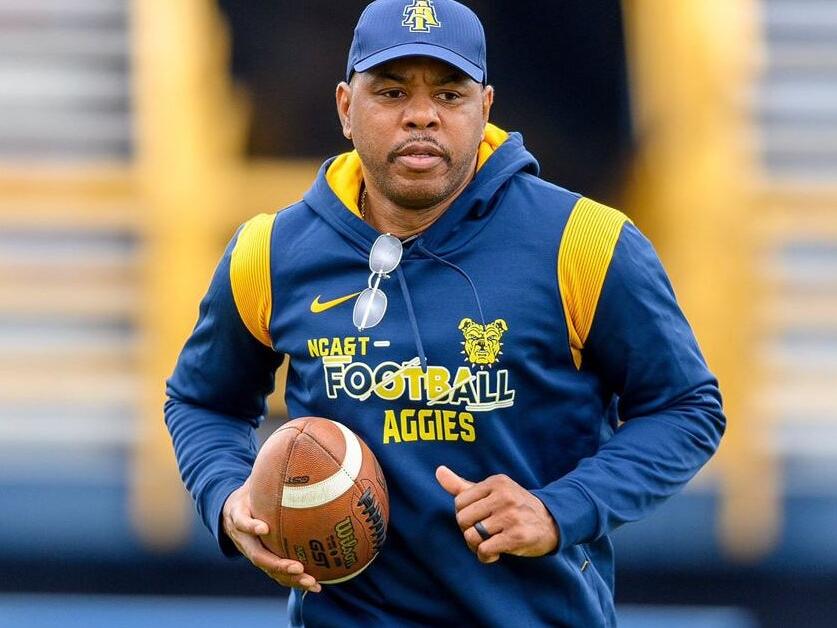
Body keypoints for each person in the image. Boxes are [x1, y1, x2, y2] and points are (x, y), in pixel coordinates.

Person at [165, 0, 725, 626]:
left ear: (485, 107)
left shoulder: (585, 243)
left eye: (450, 94)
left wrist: (560, 509)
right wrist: (226, 496)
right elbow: (202, 401)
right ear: (347, 108)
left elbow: (687, 408)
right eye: (392, 91)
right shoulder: (271, 253)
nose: (422, 116)